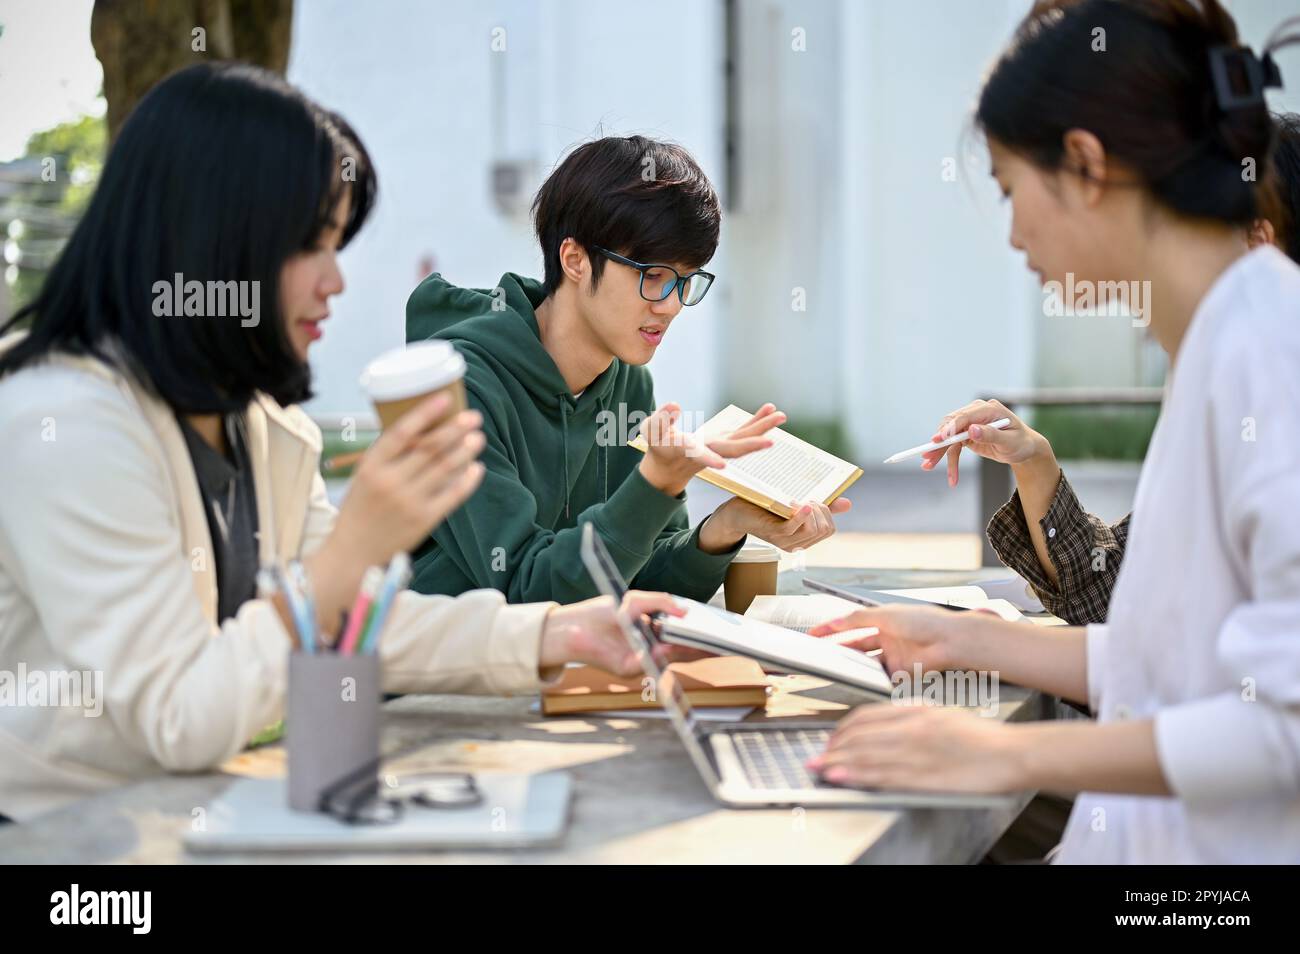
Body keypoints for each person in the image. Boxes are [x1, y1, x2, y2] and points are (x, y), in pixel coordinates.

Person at [0, 63, 684, 822]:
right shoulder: (65, 426)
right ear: (207, 240)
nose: (336, 281)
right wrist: (356, 543)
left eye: (337, 245)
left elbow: (361, 622)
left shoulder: (258, 424)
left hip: (204, 811)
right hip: (61, 836)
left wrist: (559, 631)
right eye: (309, 245)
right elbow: (180, 715)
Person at [810, 0, 1300, 863]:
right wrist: (960, 637)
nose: (1012, 235)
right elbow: (1173, 663)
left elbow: (1283, 732)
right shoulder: (1217, 340)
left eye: (1010, 189)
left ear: (1084, 165)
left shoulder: (1270, 352)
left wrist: (999, 753)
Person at [404, 135, 849, 603]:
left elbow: (641, 577)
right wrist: (655, 483)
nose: (672, 305)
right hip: (446, 649)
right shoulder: (460, 389)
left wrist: (726, 525)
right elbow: (527, 588)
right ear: (575, 260)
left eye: (686, 281)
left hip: (571, 647)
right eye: (653, 276)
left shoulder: (628, 382)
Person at [920, 114, 1300, 625]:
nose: (1015, 236)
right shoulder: (1222, 382)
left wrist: (982, 642)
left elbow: (1194, 658)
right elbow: (1117, 591)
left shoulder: (1269, 404)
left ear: (1258, 243)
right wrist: (1034, 461)